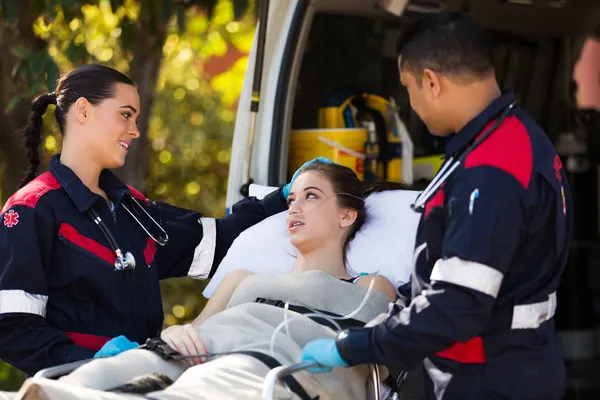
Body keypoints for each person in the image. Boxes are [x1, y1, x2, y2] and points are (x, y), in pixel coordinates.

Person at [301, 12, 573, 400]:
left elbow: (458, 304)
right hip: (514, 365)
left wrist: (353, 346)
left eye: (408, 87)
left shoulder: (490, 172)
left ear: (431, 81)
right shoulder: (517, 138)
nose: (410, 102)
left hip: (488, 379)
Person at [0, 64, 322, 377]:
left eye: (136, 118)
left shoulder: (133, 208)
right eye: (125, 114)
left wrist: (282, 198)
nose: (135, 130)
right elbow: (11, 327)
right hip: (75, 390)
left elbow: (219, 242)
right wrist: (89, 362)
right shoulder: (32, 209)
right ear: (83, 111)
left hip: (147, 383)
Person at [11, 161, 399, 400]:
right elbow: (196, 329)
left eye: (311, 196)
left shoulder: (370, 286)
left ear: (347, 216)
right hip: (190, 354)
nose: (294, 207)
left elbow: (373, 353)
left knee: (203, 386)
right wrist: (178, 333)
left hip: (256, 365)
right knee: (96, 376)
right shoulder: (242, 277)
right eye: (292, 198)